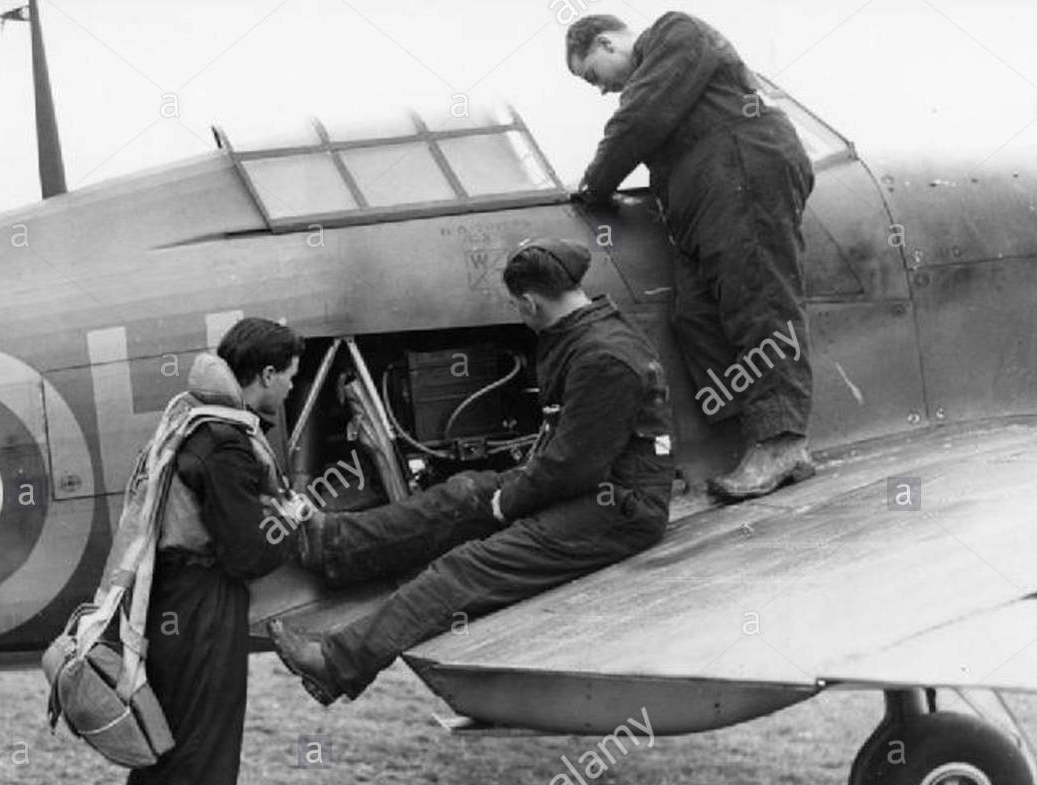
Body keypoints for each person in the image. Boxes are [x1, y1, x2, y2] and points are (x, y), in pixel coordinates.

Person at [268, 237, 673, 704]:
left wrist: (509, 501)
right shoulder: (590, 333)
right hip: (591, 487)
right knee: (461, 494)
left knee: (468, 568)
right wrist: (501, 492)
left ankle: (338, 663)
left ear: (529, 301)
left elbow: (574, 467)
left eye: (517, 307)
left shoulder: (603, 356)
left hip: (617, 507)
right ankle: (334, 544)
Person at [567, 11, 816, 501]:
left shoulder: (674, 33)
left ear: (607, 42)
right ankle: (751, 434)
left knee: (758, 301)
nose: (600, 90)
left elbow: (639, 119)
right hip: (703, 194)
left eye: (593, 75)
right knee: (694, 316)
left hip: (743, 166)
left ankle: (782, 441)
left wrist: (593, 186)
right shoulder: (658, 75)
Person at [118, 317, 301, 785]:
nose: (293, 385)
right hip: (201, 607)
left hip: (170, 601)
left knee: (165, 757)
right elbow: (249, 550)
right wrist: (295, 517)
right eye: (290, 373)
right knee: (199, 767)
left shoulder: (191, 418)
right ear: (266, 374)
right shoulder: (225, 440)